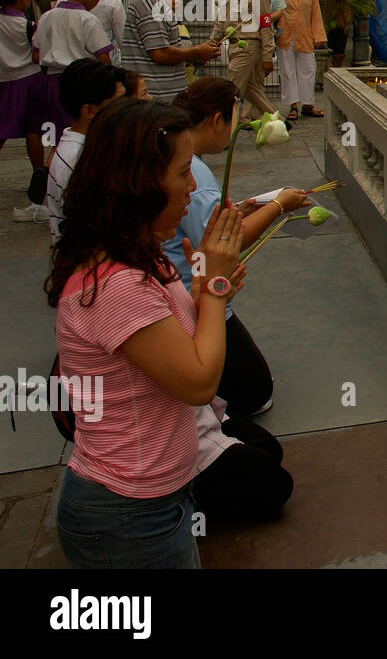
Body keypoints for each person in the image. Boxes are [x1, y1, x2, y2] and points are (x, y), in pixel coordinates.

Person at [47, 97, 246, 568]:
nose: (192, 185)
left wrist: (200, 300)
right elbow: (198, 383)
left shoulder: (140, 254)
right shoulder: (117, 282)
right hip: (127, 515)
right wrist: (215, 290)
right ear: (137, 183)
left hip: (155, 498)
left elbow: (170, 349)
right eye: (181, 173)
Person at [166, 76, 311, 413]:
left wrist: (239, 211)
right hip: (194, 292)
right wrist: (279, 207)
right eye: (236, 116)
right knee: (256, 393)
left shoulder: (189, 162)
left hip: (192, 284)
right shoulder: (197, 175)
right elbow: (224, 244)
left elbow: (211, 229)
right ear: (217, 119)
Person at [119, 0, 220, 100]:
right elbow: (159, 53)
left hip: (165, 93)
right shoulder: (147, 1)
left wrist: (196, 55)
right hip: (157, 95)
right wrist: (196, 51)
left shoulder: (154, 0)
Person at [46, 60, 126, 242]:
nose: (126, 109)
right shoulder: (80, 160)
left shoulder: (87, 146)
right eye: (118, 102)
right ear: (89, 111)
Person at [1, 0, 57, 222]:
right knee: (34, 129)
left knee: (2, 129)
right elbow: (38, 51)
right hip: (30, 79)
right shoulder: (27, 25)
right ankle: (39, 174)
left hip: (3, 81)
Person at [220, 0, 276, 122]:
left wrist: (267, 55)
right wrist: (212, 43)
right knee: (252, 90)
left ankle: (227, 130)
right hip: (234, 45)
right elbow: (220, 21)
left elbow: (266, 26)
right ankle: (277, 121)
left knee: (232, 90)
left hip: (249, 46)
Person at [31, 0, 114, 73]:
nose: (96, 4)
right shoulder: (89, 20)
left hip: (52, 82)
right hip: (82, 80)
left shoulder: (46, 17)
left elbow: (36, 56)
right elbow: (104, 60)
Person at [277, 0, 327, 120]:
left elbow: (316, 12)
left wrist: (319, 35)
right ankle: (293, 106)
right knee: (288, 71)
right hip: (285, 35)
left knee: (308, 69)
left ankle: (307, 105)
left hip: (305, 35)